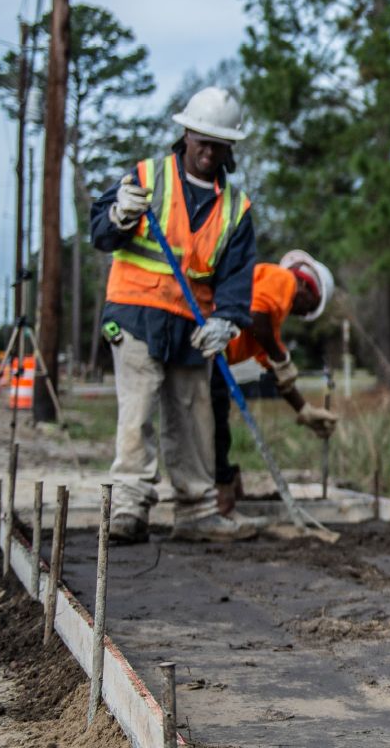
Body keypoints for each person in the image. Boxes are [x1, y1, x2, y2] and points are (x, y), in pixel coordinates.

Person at [89, 87, 259, 543]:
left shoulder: (234, 208)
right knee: (137, 410)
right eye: (201, 139)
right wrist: (120, 215)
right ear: (185, 134)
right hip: (136, 313)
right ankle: (128, 509)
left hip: (193, 325)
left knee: (193, 416)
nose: (208, 150)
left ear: (230, 147)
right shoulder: (146, 178)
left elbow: (237, 276)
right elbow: (101, 234)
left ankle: (197, 510)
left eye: (217, 142)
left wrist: (227, 319)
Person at [211, 251, 339, 514]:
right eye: (309, 306)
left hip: (213, 359)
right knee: (211, 423)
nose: (302, 313)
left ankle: (222, 483)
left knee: (215, 421)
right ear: (305, 284)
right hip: (208, 352)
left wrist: (304, 409)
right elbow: (257, 317)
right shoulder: (283, 279)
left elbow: (275, 369)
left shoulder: (270, 325)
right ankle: (217, 489)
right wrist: (281, 357)